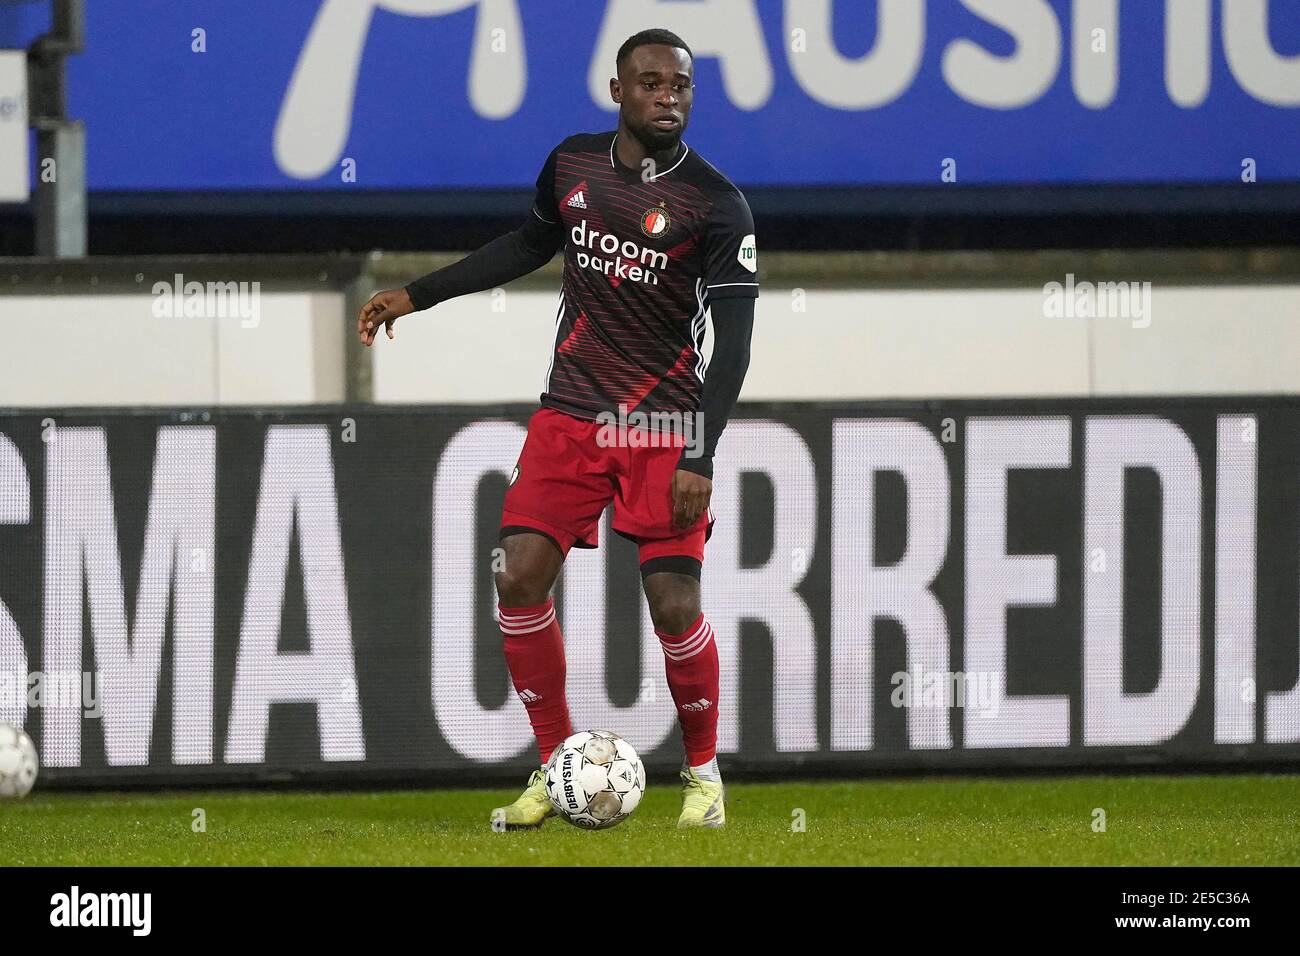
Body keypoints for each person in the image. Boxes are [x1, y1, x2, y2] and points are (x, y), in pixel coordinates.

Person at [357, 28, 758, 829]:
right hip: (571, 414)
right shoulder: (572, 167)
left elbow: (736, 349)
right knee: (517, 578)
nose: (666, 97)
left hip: (664, 424)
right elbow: (527, 244)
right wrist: (420, 294)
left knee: (675, 603)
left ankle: (705, 779)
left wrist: (699, 452)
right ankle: (553, 765)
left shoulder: (717, 205)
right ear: (618, 92)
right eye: (650, 84)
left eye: (679, 85)